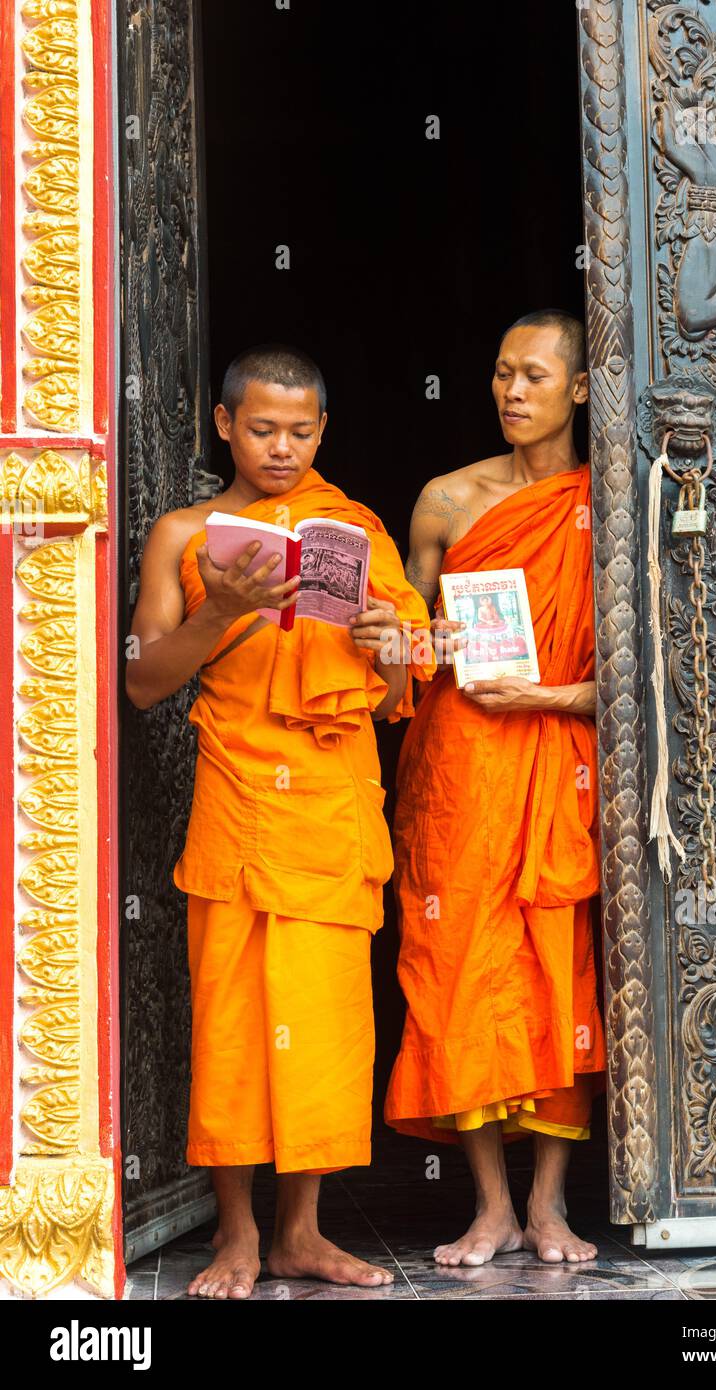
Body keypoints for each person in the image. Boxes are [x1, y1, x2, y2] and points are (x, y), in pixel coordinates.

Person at [126, 344, 433, 1298]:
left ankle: (300, 1230)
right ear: (224, 425)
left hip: (333, 798)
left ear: (324, 434)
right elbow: (142, 681)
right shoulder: (183, 530)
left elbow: (394, 696)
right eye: (262, 429)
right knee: (233, 1019)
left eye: (302, 432)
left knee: (323, 1020)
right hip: (238, 795)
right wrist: (218, 610)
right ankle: (236, 1236)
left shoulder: (356, 531)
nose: (282, 448)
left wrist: (388, 650)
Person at [385, 310, 606, 1267]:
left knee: (563, 973)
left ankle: (550, 1205)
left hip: (560, 756)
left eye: (534, 376)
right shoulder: (446, 501)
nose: (512, 392)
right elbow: (401, 655)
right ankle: (488, 1205)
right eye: (501, 375)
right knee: (456, 969)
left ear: (582, 388)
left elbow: (645, 676)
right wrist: (409, 645)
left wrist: (545, 693)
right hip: (458, 770)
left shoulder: (608, 507)